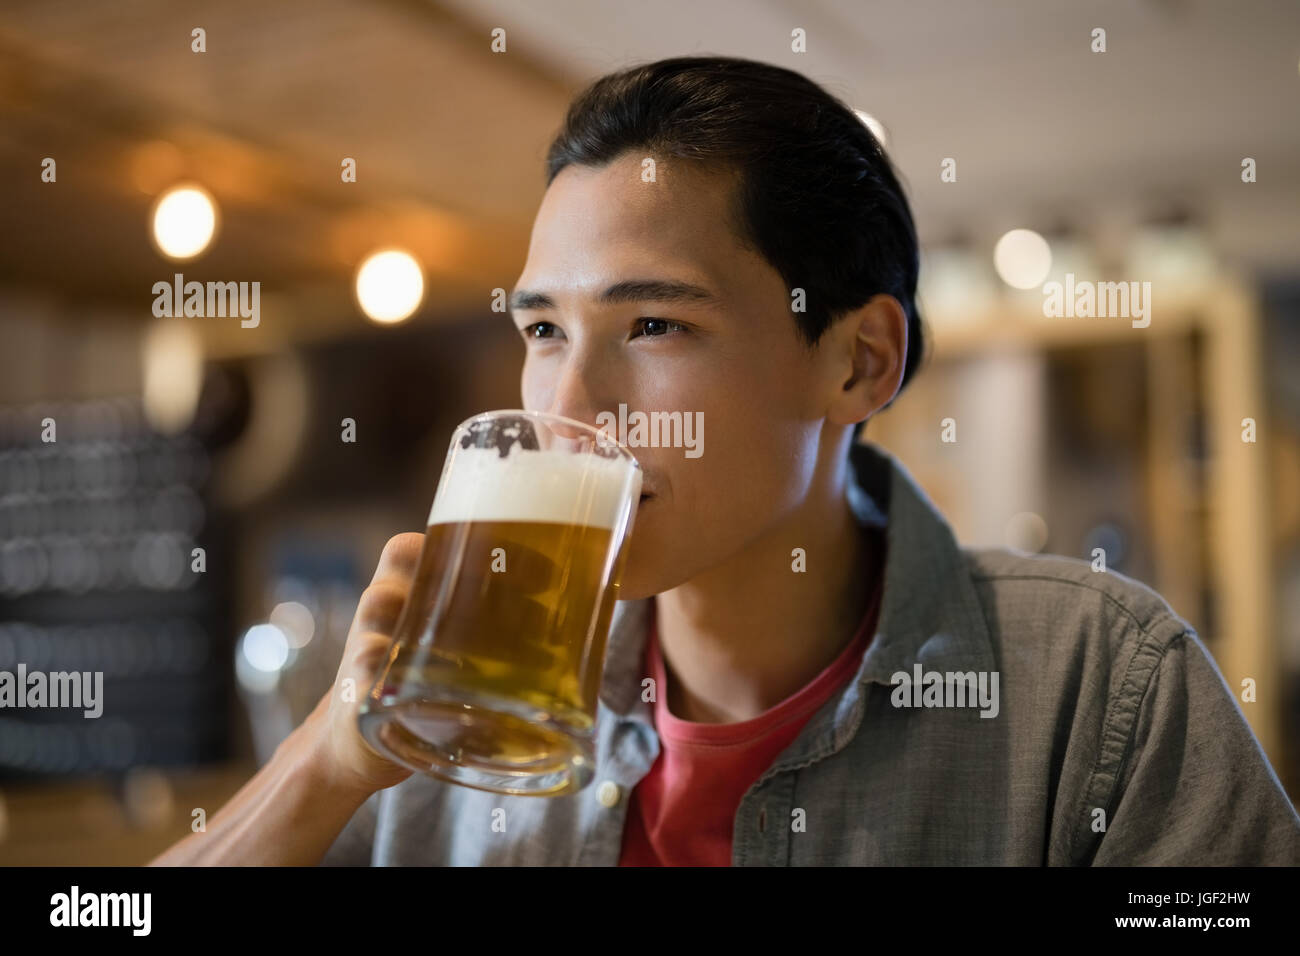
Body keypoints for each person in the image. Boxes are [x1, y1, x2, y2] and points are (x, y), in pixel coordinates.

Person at [150, 55, 1300, 866]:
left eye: (653, 325)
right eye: (544, 330)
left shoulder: (1101, 683)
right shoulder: (455, 715)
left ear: (857, 362)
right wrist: (325, 761)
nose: (572, 402)